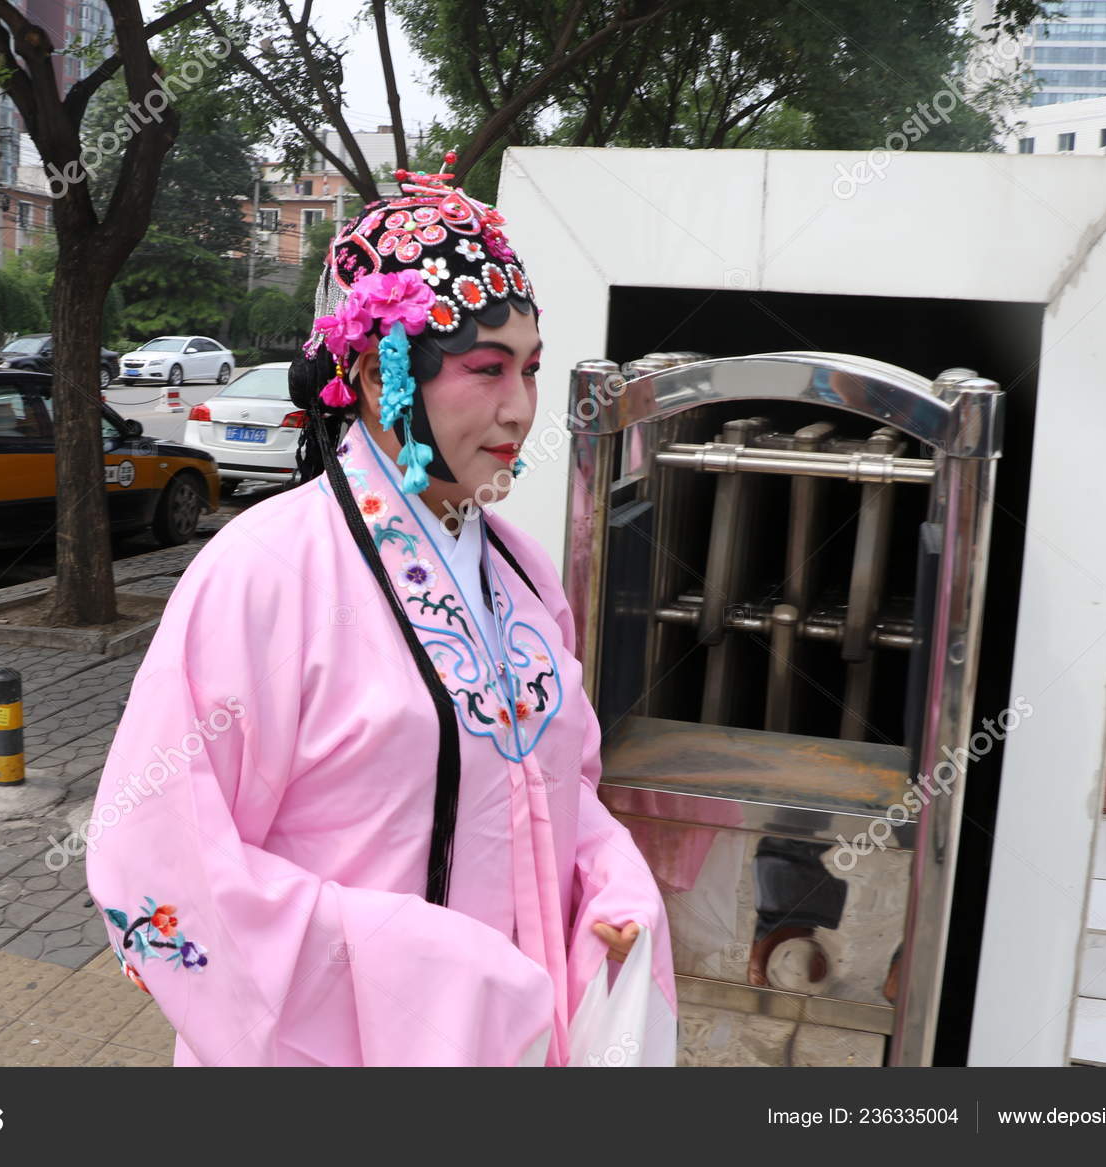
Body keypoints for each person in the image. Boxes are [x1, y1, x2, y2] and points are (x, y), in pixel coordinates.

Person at [84, 155, 676, 1067]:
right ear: (373, 373)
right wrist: (427, 971)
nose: (520, 408)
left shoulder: (521, 571)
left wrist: (610, 882)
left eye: (530, 369)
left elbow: (566, 785)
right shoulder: (266, 572)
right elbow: (152, 863)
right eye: (486, 368)